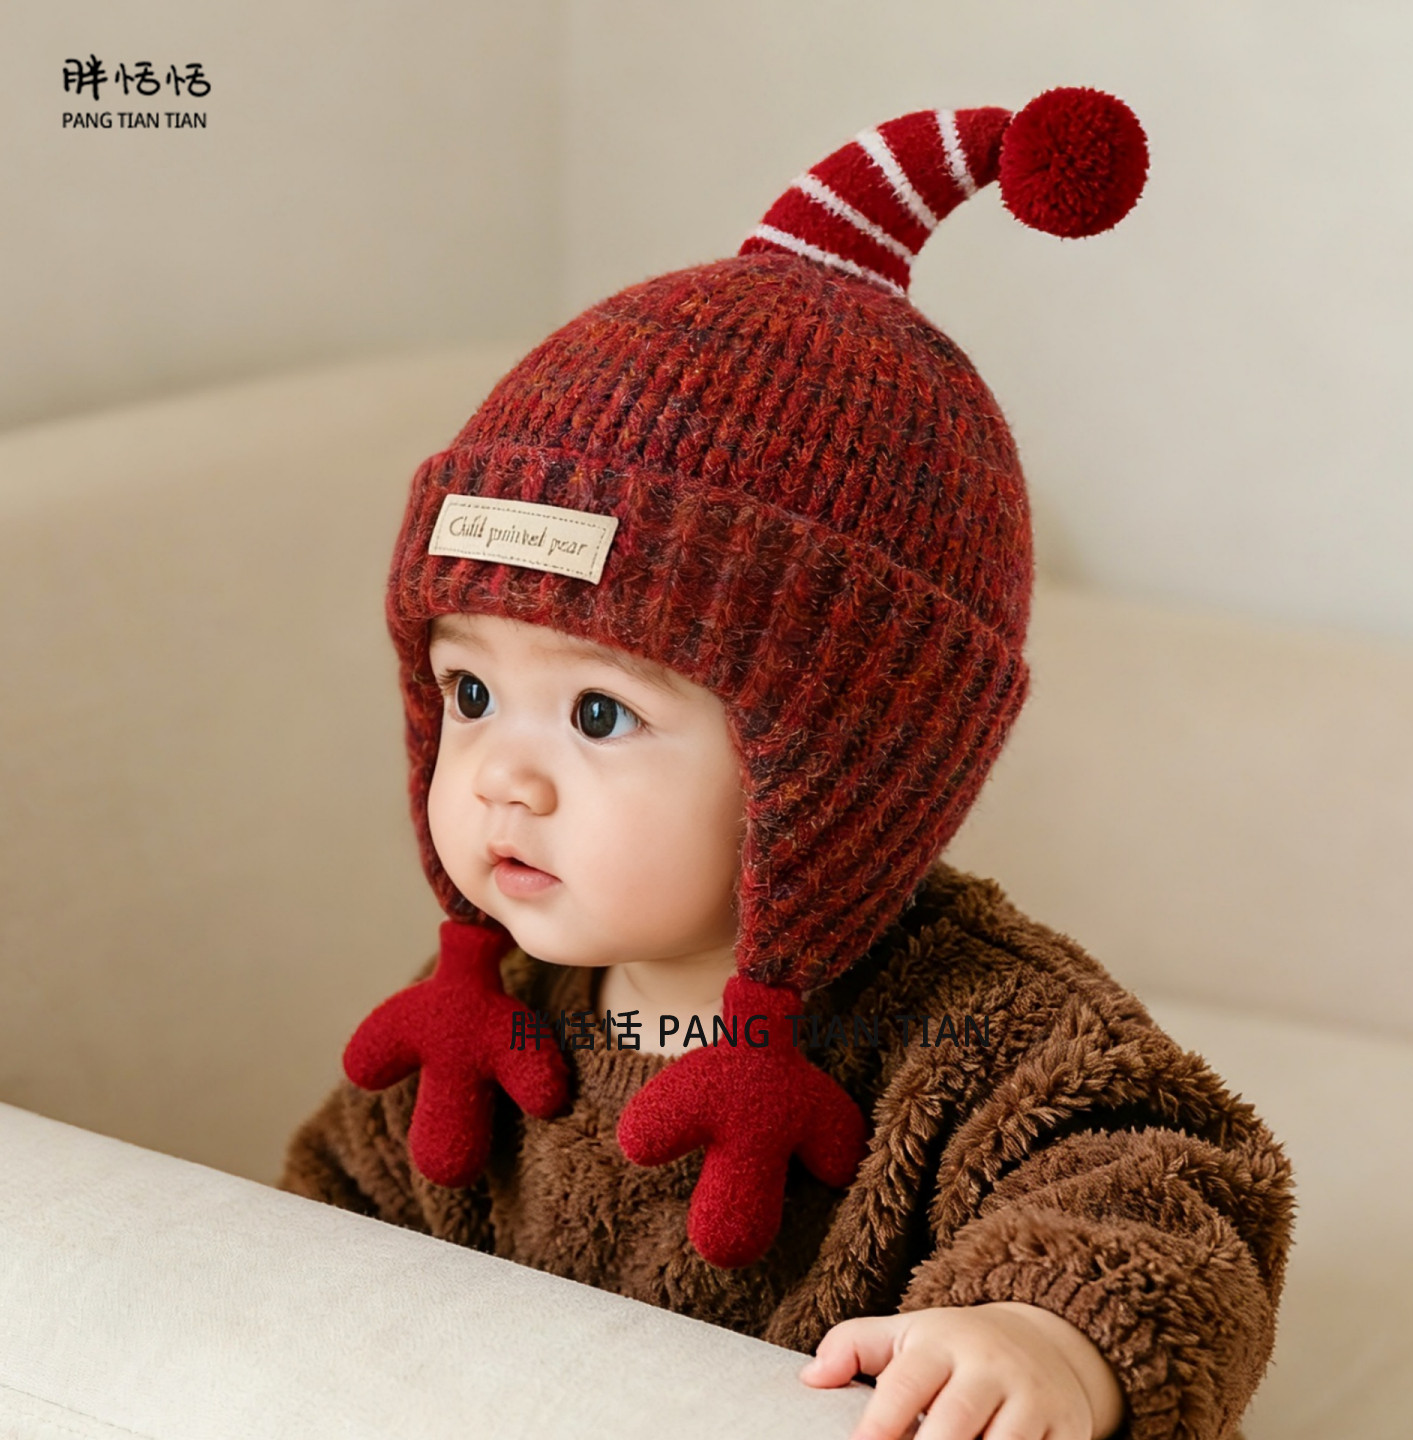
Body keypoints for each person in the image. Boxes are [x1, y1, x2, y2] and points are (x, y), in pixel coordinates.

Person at [279, 87, 1293, 1440]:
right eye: (471, 693)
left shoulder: (975, 1029)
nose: (500, 781)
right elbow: (325, 1227)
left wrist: (1043, 1335)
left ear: (838, 772)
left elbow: (1174, 1201)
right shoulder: (492, 1012)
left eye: (597, 716)